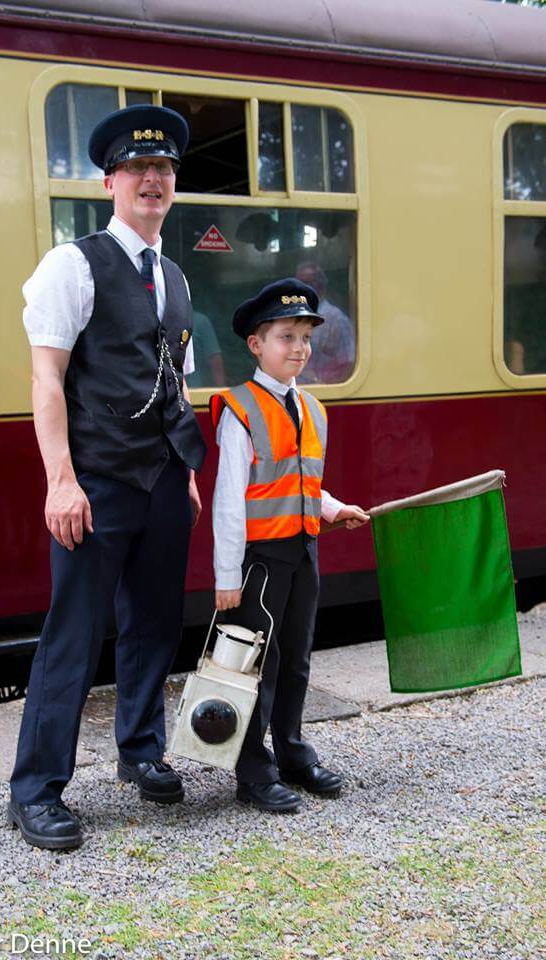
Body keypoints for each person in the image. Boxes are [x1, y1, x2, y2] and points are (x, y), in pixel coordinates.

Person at [8, 104, 207, 850]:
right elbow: (46, 380)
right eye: (138, 168)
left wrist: (187, 471)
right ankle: (35, 789)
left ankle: (141, 751)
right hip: (96, 482)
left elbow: (175, 384)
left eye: (164, 169)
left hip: (164, 481)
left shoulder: (176, 278)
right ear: (110, 182)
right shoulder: (73, 264)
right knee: (75, 630)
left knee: (154, 623)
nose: (152, 179)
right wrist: (61, 481)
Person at [210, 278, 369, 812]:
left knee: (296, 658)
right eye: (286, 337)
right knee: (256, 664)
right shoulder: (240, 410)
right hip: (259, 561)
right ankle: (253, 771)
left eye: (305, 338)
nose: (299, 348)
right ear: (256, 345)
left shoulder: (313, 409)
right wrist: (226, 577)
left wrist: (333, 508)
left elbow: (300, 482)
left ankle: (292, 752)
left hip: (303, 551)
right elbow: (229, 501)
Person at [295, 262, 356, 384]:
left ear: (320, 286)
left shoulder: (337, 320)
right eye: (297, 285)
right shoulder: (293, 320)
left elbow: (347, 363)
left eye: (306, 283)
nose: (300, 290)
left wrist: (321, 380)